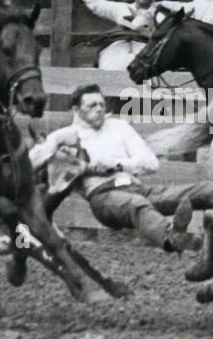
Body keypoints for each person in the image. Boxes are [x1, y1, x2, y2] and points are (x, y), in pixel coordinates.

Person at [29, 84, 201, 252]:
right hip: (102, 194)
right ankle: (171, 235)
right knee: (136, 204)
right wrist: (55, 154)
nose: (99, 109)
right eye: (92, 105)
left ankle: (203, 225)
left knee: (194, 191)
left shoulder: (117, 126)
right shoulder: (63, 136)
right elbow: (33, 160)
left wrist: (118, 164)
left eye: (102, 105)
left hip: (132, 186)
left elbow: (150, 163)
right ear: (76, 110)